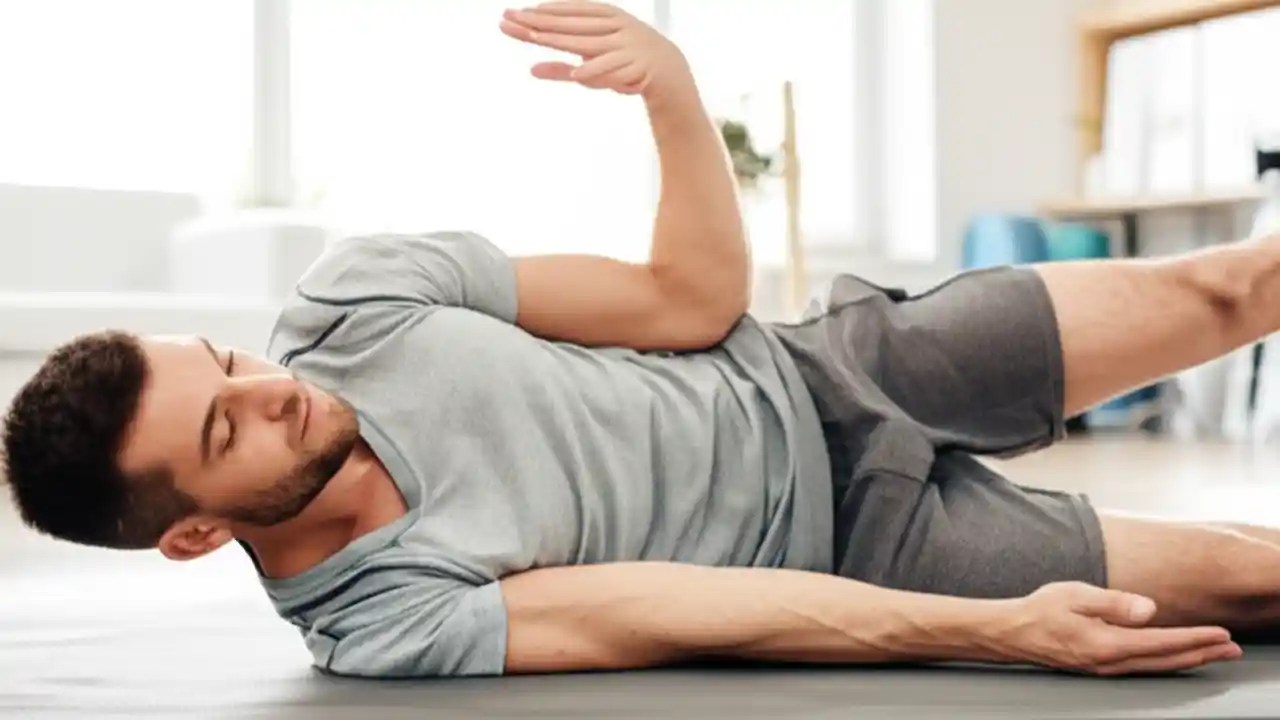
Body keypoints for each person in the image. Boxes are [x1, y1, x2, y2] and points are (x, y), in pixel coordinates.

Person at [2, 1, 1276, 679]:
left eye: (228, 365)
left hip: (820, 364)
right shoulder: (383, 620)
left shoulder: (353, 303)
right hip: (861, 548)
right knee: (1249, 574)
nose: (273, 390)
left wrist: (668, 88)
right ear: (194, 532)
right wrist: (999, 632)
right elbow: (691, 608)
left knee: (1233, 286)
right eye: (227, 428)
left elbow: (688, 297)